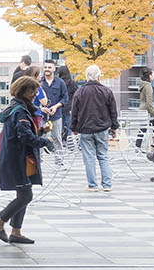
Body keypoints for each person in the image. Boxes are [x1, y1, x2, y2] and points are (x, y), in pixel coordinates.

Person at [0, 76, 50, 245]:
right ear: (23, 91)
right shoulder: (21, 111)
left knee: (23, 192)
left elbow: (23, 134)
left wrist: (41, 132)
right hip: (17, 159)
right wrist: (45, 141)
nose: (35, 94)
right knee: (25, 194)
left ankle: (16, 232)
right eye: (33, 91)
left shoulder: (17, 108)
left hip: (16, 158)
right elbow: (25, 137)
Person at [71, 64, 118, 192]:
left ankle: (92, 185)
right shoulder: (106, 91)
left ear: (86, 76)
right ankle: (107, 184)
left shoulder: (79, 92)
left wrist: (73, 127)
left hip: (85, 129)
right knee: (103, 156)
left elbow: (74, 112)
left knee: (89, 158)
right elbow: (113, 111)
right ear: (99, 76)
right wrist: (114, 127)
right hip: (102, 128)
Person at [37, 60, 69, 140]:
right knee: (40, 139)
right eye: (45, 67)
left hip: (56, 116)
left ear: (54, 69)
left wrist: (56, 106)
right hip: (41, 116)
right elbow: (33, 99)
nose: (47, 69)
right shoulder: (38, 82)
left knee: (57, 139)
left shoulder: (61, 82)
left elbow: (65, 98)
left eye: (49, 67)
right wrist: (41, 108)